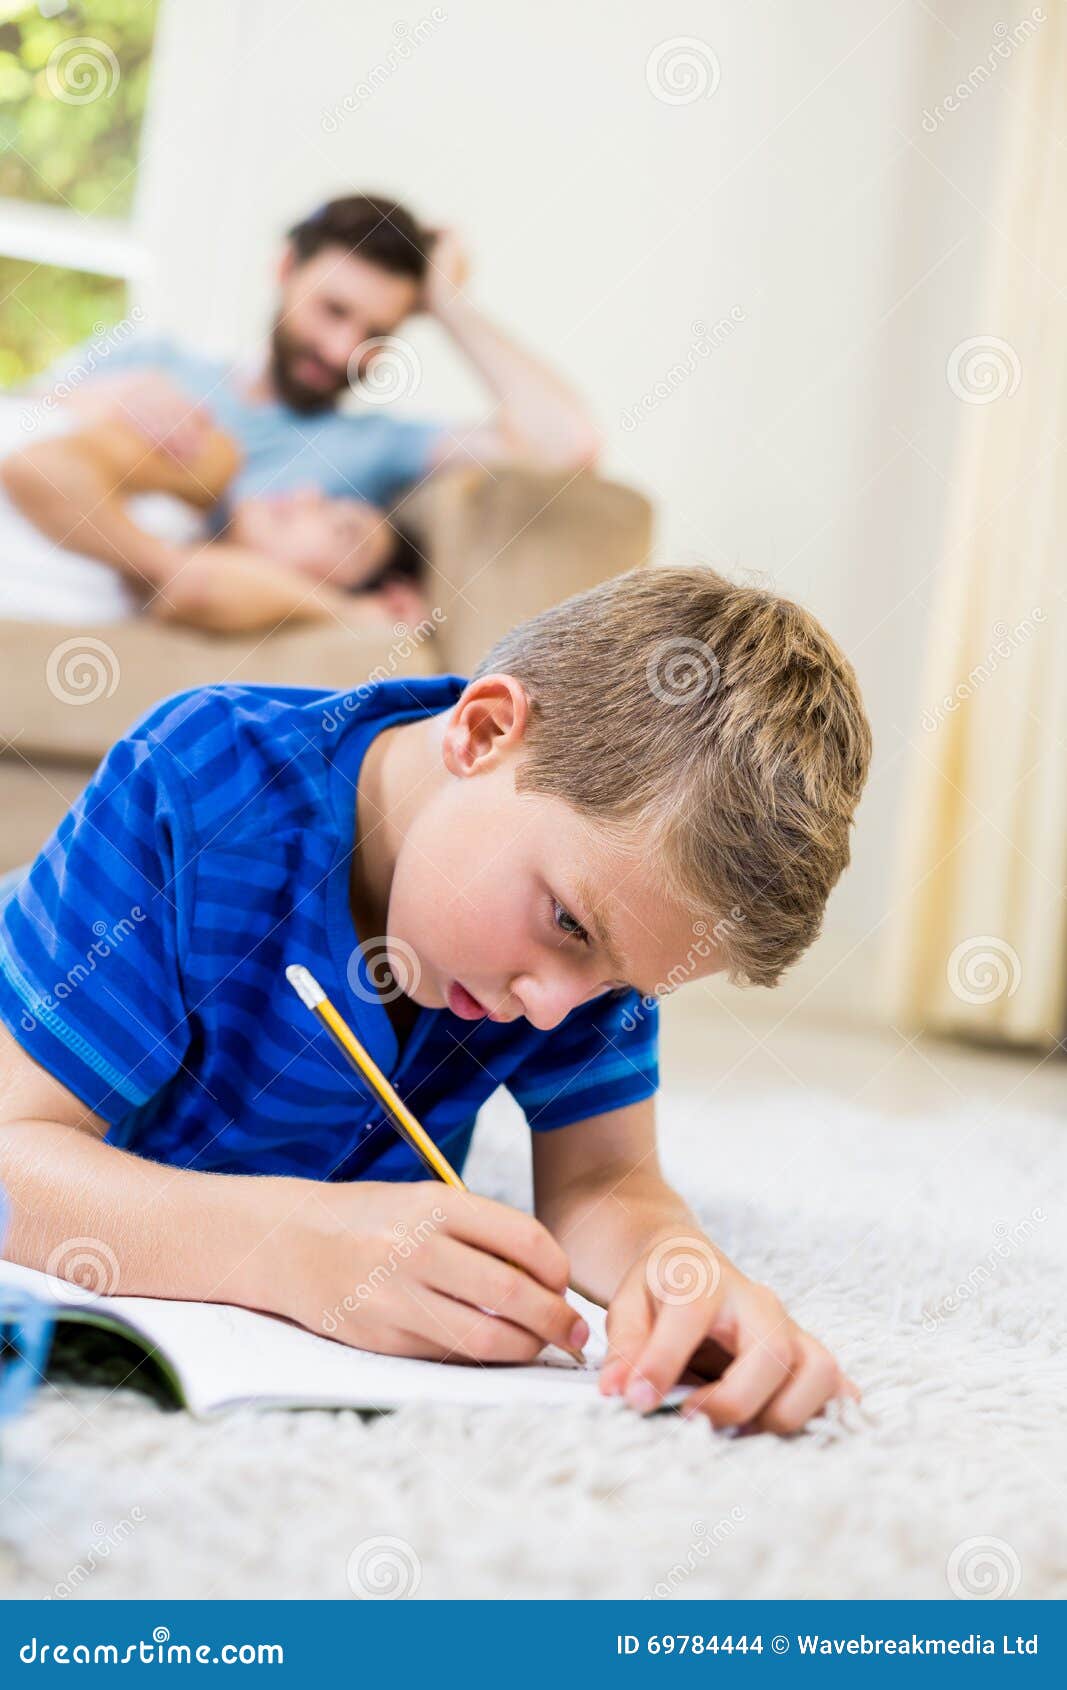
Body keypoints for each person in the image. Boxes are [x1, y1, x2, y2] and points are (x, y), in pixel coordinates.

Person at [0, 565, 872, 1434]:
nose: (551, 1010)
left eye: (621, 985)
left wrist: (676, 1271)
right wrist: (291, 1250)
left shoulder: (596, 922)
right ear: (484, 733)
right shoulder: (201, 780)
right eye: (567, 924)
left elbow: (606, 1180)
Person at [22, 193, 598, 624]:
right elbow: (20, 423)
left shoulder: (371, 447)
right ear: (284, 271)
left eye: (378, 332)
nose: (344, 350)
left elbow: (567, 446)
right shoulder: (152, 359)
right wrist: (104, 399)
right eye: (333, 310)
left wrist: (451, 305)